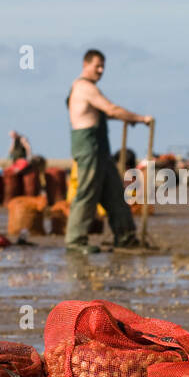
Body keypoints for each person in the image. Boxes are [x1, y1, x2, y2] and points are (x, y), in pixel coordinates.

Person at [65, 49, 152, 253]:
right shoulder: (84, 87)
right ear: (85, 64)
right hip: (88, 147)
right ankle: (75, 241)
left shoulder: (88, 88)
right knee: (87, 193)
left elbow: (105, 113)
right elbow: (111, 109)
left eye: (103, 66)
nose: (101, 70)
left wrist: (128, 118)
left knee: (114, 193)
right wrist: (140, 118)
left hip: (100, 148)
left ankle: (125, 236)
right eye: (97, 66)